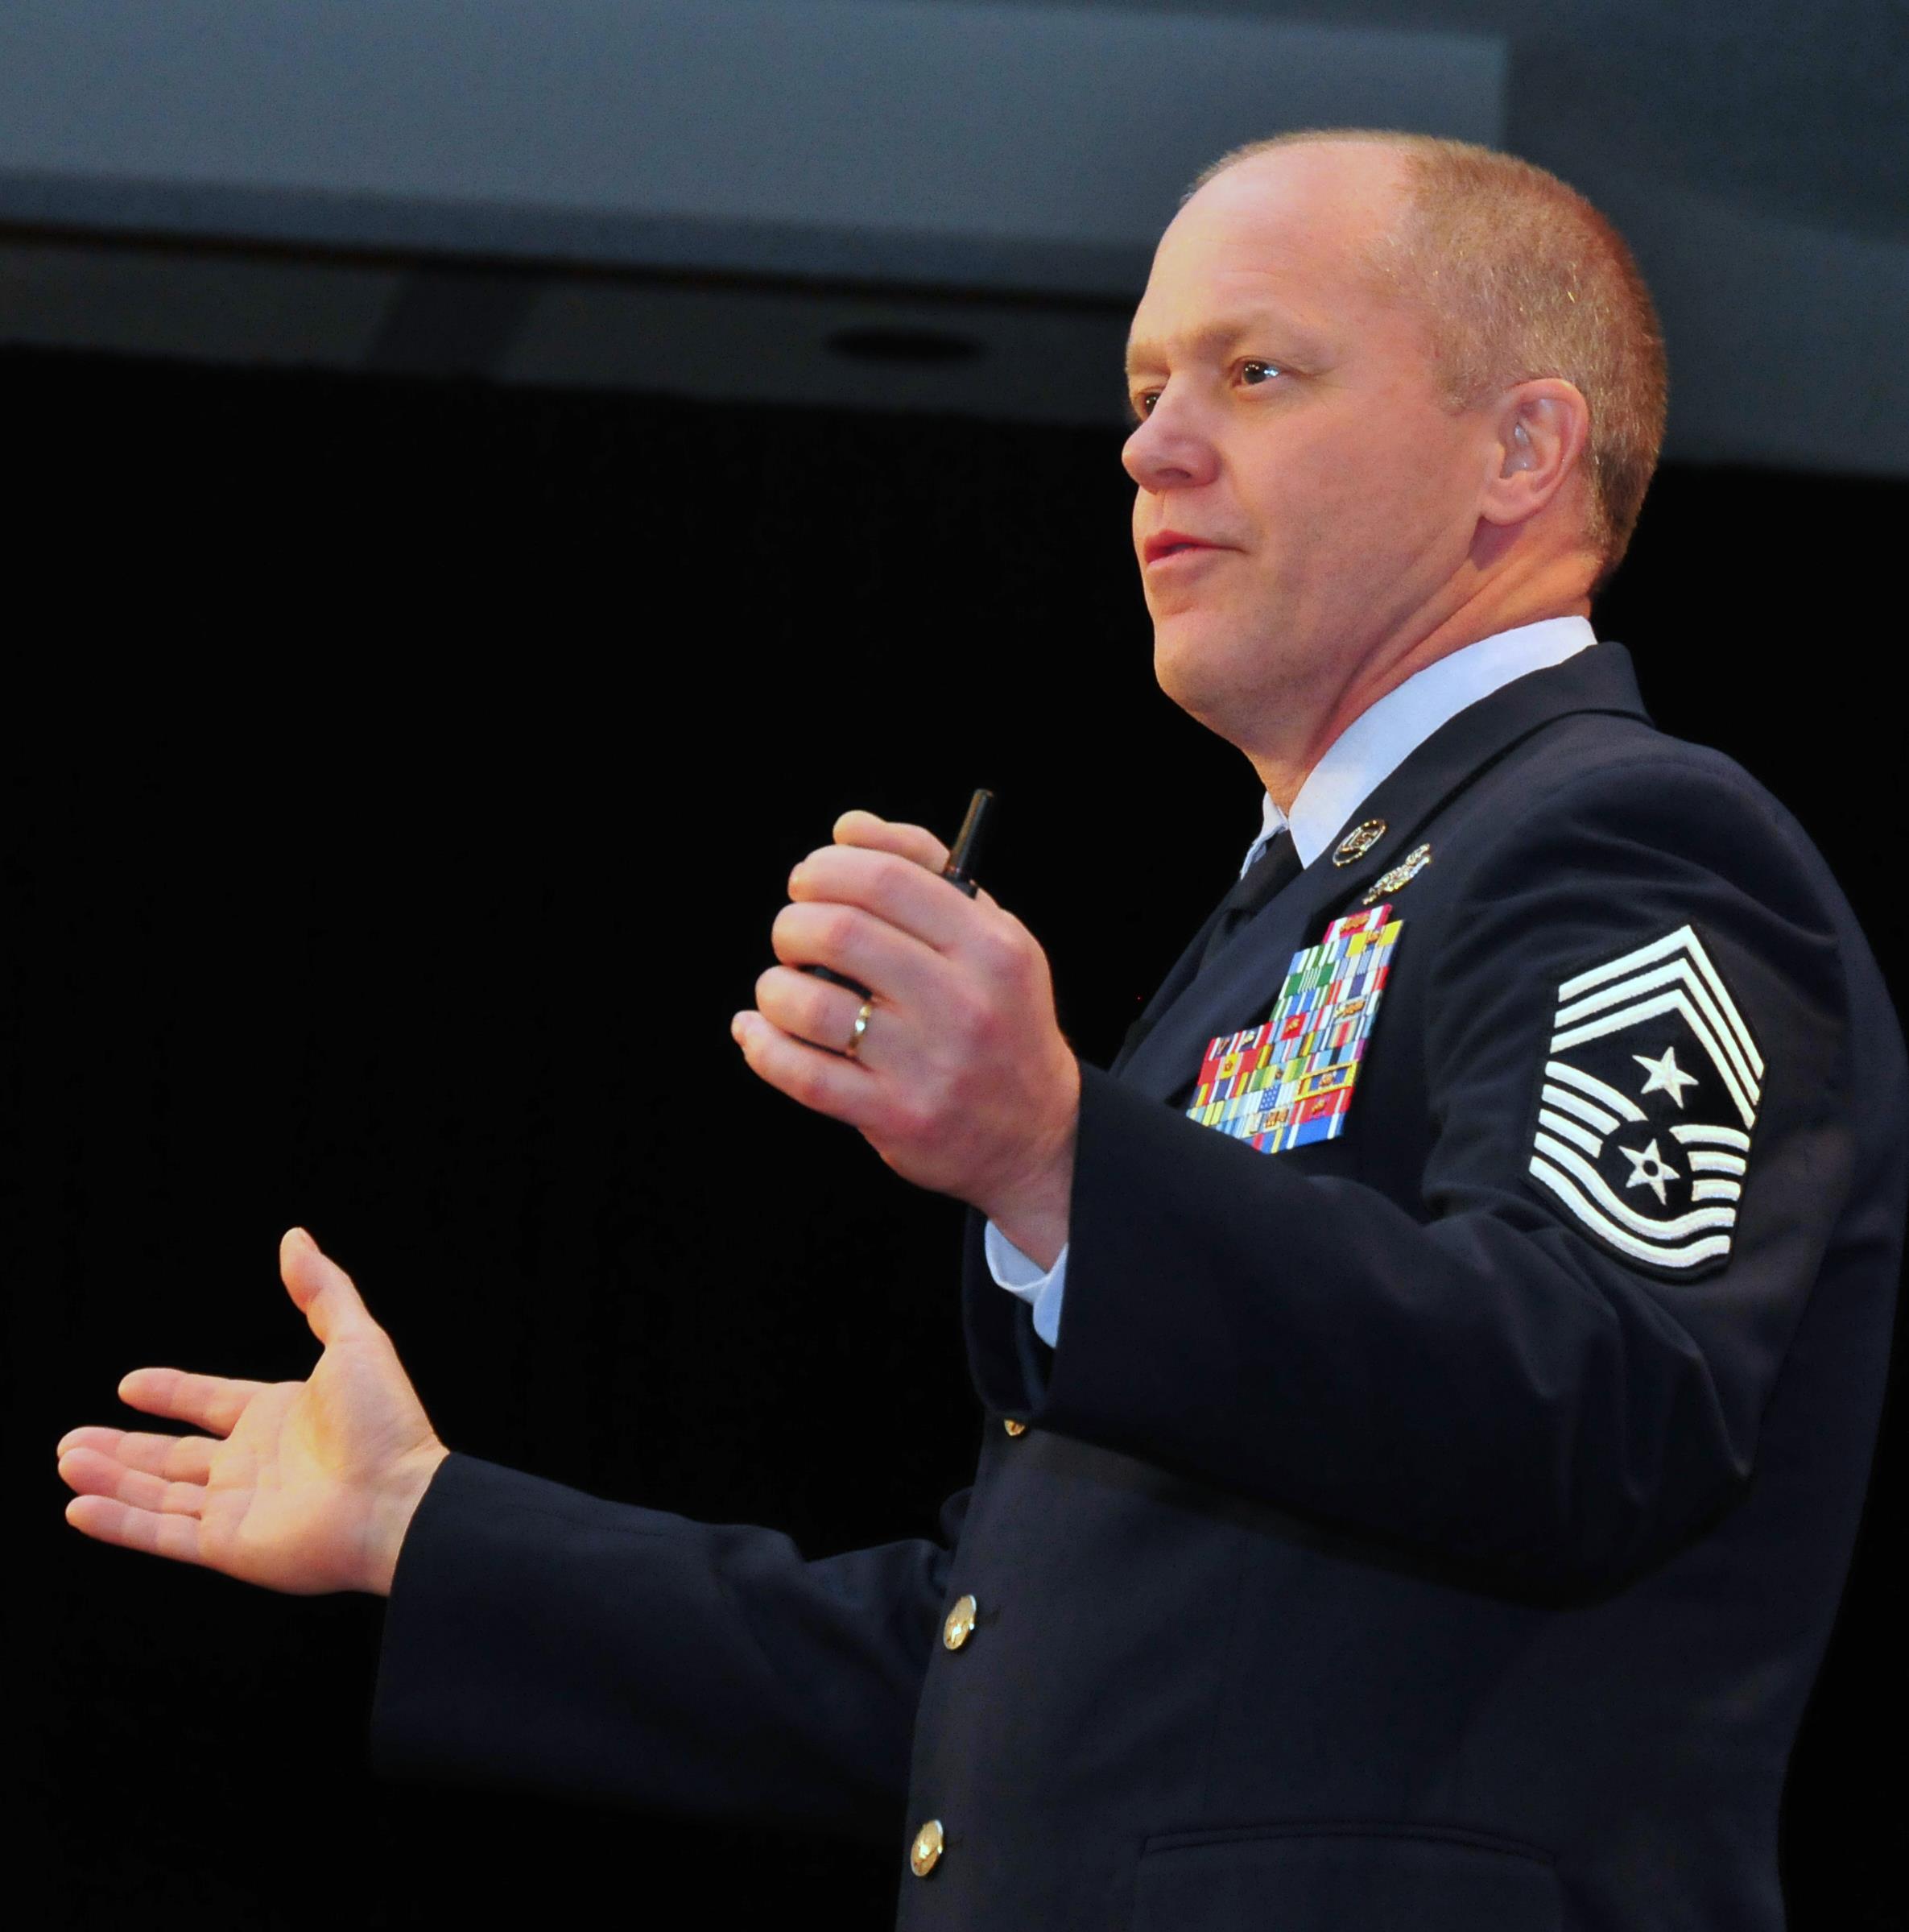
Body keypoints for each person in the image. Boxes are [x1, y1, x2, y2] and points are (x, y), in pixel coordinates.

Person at [56, 130, 1903, 1930]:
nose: (1151, 441)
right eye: (1144, 382)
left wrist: (1051, 1151)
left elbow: (1599, 1405)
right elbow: (1016, 1679)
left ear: (1520, 448)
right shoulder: (1292, 917)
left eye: (1256, 372)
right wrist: (426, 1528)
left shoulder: (1628, 839)